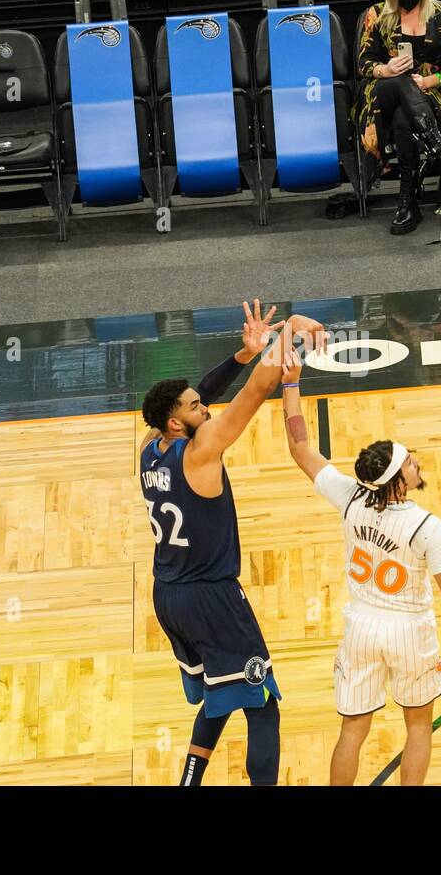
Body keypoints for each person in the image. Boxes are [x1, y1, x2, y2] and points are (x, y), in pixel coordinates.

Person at [279, 350, 441, 785]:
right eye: (410, 462)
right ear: (398, 480)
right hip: (409, 632)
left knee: (353, 729)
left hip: (360, 626)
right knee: (418, 724)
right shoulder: (426, 527)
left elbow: (300, 446)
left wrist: (290, 385)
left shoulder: (350, 497)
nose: (417, 464)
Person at [138, 300, 326, 785]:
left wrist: (242, 354)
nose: (206, 404)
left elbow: (202, 393)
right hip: (212, 598)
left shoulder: (150, 448)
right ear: (179, 423)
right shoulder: (202, 452)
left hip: (169, 595)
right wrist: (291, 338)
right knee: (263, 705)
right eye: (196, 407)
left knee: (221, 691)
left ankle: (189, 782)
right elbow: (260, 389)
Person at [356, 0, 441, 235]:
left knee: (403, 121)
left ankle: (407, 202)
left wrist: (431, 80)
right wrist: (387, 68)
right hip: (382, 91)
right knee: (399, 82)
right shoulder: (376, 14)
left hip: (427, 94)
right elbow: (363, 63)